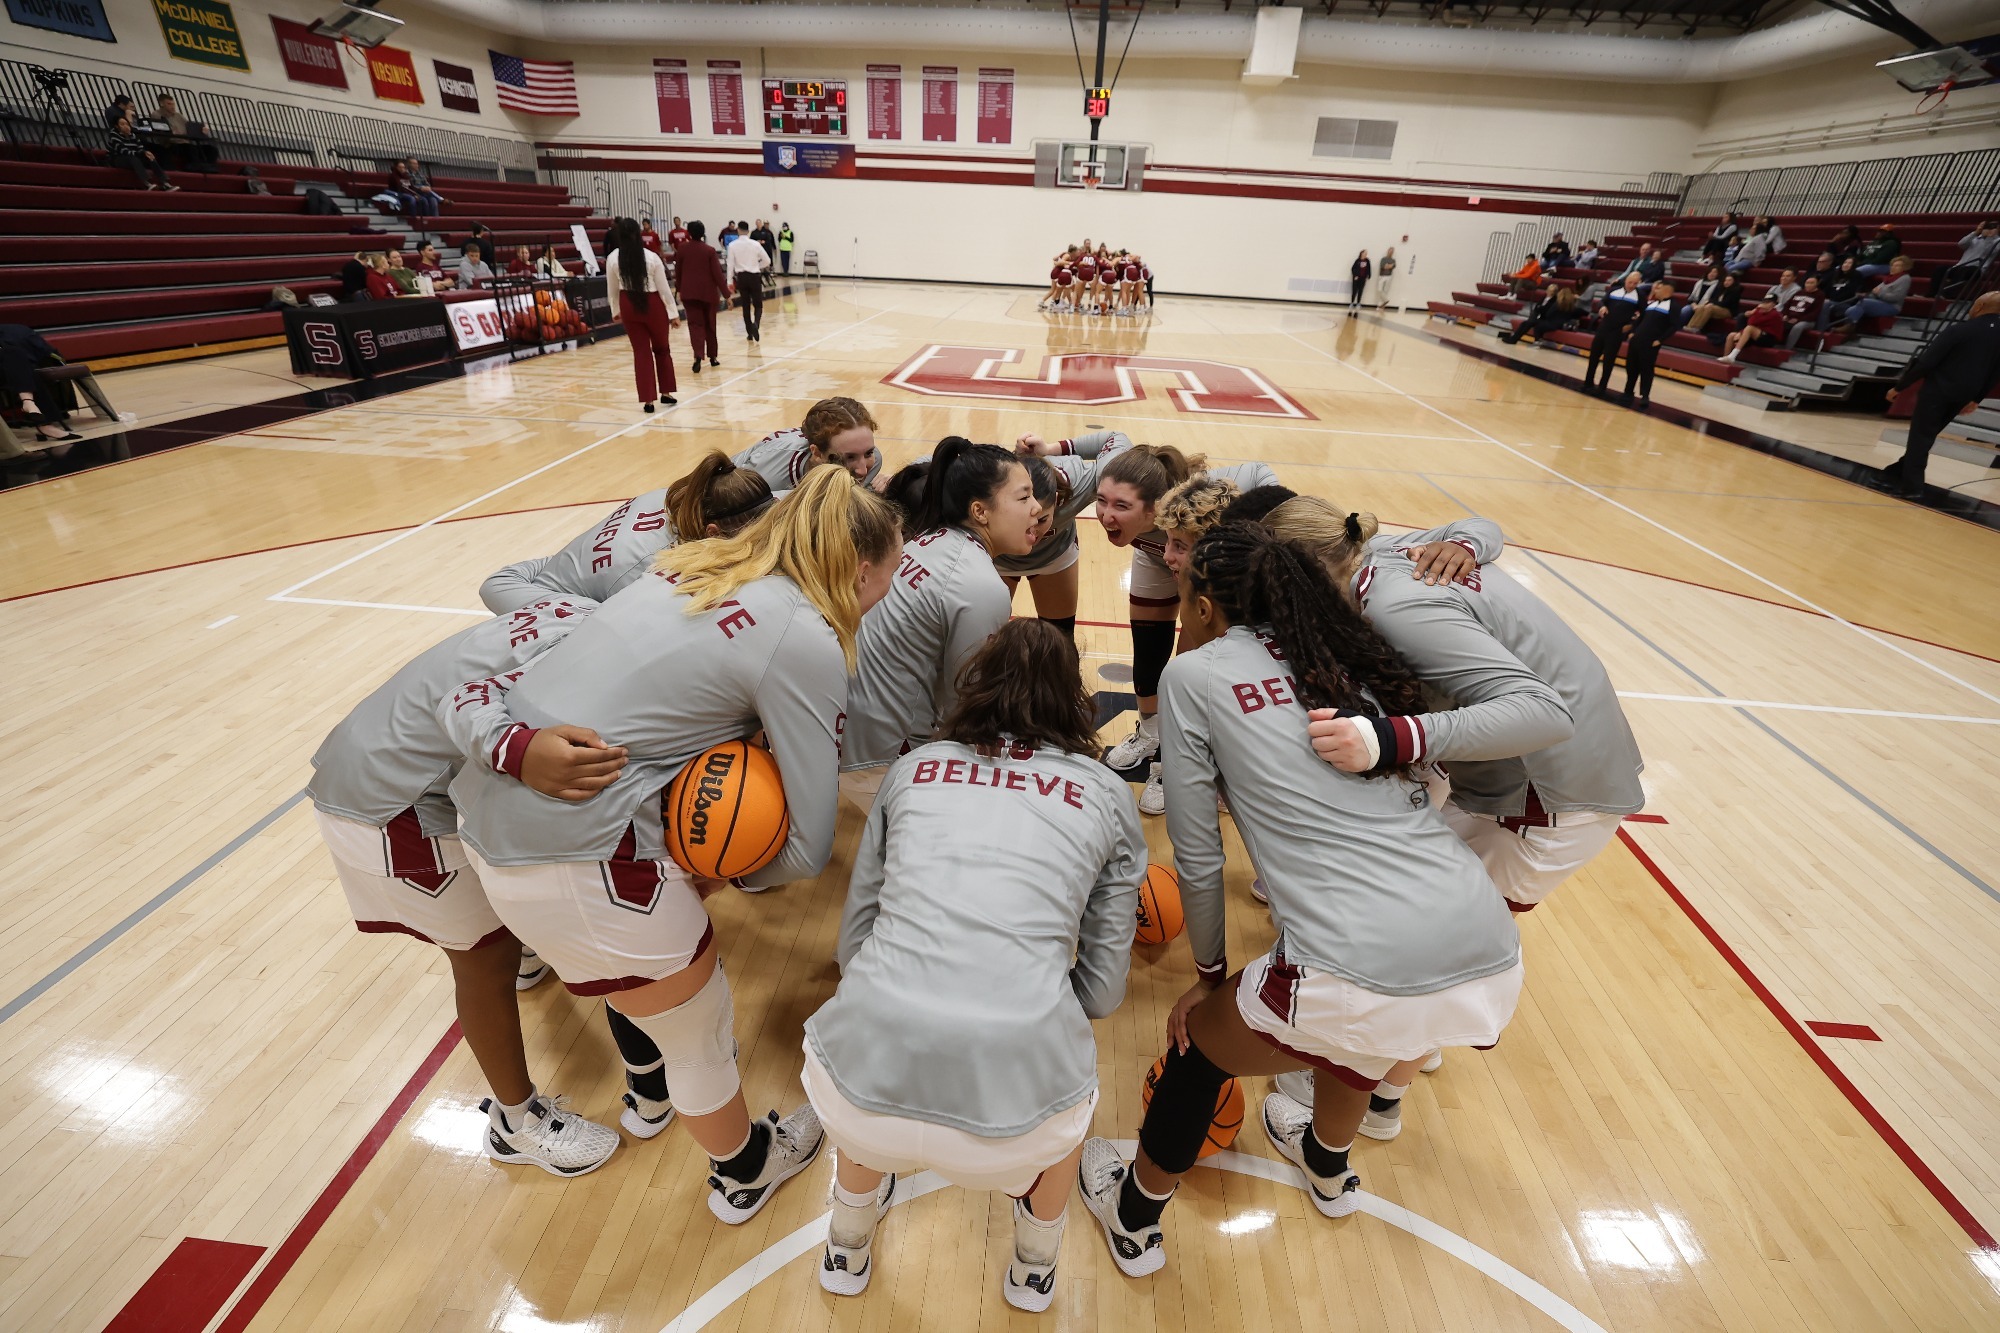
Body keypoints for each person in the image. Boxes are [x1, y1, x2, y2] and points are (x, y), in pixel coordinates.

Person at [442, 467, 904, 1224]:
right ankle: (744, 1171)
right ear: (857, 572)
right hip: (584, 858)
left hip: (491, 830)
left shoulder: (679, 565)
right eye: (887, 580)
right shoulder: (804, 635)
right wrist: (718, 867)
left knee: (628, 981)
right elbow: (807, 847)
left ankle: (646, 1096)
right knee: (700, 1031)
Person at [1077, 522, 1523, 1276]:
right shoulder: (1350, 656)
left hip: (1360, 956)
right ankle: (1327, 1162)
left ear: (1209, 604)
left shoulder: (1198, 674)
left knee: (1198, 1048)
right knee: (1362, 1038)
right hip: (1485, 944)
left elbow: (1198, 850)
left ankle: (1133, 1213)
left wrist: (1211, 979)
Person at [1274, 494, 1641, 1132]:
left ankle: (1377, 1106)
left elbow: (1544, 713)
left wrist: (1388, 737)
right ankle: (1404, 1063)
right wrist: (1469, 542)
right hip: (1535, 778)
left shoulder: (1397, 604)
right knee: (1429, 930)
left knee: (1429, 952)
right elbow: (1484, 521)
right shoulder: (1380, 551)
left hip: (1549, 794)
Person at [807, 619, 1144, 1308]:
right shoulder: (1107, 793)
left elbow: (852, 949)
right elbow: (1104, 994)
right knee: (1070, 1088)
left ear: (974, 685)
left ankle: (846, 1241)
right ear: (1072, 698)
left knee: (876, 1043)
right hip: (1015, 1127)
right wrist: (1033, 997)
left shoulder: (909, 769)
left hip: (863, 1098)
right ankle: (1033, 1265)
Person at [308, 594, 626, 1176]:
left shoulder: (579, 607)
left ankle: (524, 953)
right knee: (481, 958)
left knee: (505, 894)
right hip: (389, 802)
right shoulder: (569, 674)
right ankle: (516, 1122)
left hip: (384, 754)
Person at [1013, 433, 1279, 816]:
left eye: (1121, 506)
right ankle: (1152, 733)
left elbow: (1259, 472)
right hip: (1158, 557)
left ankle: (1179, 759)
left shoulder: (1199, 497)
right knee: (1149, 647)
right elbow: (1113, 437)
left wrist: (1266, 523)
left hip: (1204, 566)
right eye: (1101, 502)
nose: (1105, 515)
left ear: (1155, 510)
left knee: (1189, 666)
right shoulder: (1118, 473)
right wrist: (1055, 449)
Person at [840, 441, 1043, 802]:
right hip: (881, 754)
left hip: (845, 723)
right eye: (1024, 497)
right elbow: (965, 707)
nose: (1038, 509)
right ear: (980, 511)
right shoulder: (979, 584)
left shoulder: (929, 538)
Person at [481, 451, 775, 614]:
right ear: (713, 532)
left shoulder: (683, 498)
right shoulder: (646, 570)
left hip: (549, 576)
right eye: (755, 535)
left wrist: (566, 565)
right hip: (540, 609)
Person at [1879, 290, 2000, 499]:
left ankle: (1912, 488)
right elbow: (1996, 371)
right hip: (1966, 393)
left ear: (1979, 307)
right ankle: (1896, 471)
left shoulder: (1960, 330)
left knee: (1920, 436)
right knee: (1927, 435)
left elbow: (1927, 362)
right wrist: (1976, 399)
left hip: (1939, 390)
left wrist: (1899, 387)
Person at [604, 216, 684, 412]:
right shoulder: (651, 256)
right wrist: (673, 313)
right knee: (662, 349)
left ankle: (648, 400)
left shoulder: (613, 257)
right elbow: (664, 289)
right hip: (653, 304)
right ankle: (666, 393)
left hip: (628, 304)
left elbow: (612, 289)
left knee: (641, 352)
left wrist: (615, 310)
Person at [733, 396, 883, 494]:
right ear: (817, 453)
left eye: (868, 453)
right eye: (849, 457)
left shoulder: (875, 461)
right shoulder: (771, 472)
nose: (863, 470)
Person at [674, 220, 728, 372]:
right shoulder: (709, 250)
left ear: (689, 233)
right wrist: (727, 294)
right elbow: (718, 275)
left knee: (695, 325)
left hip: (689, 293)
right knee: (710, 324)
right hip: (708, 293)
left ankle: (698, 355)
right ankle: (713, 357)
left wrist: (678, 289)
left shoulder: (682, 249)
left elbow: (678, 273)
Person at [1582, 272, 1643, 393]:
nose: (1632, 285)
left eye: (1635, 283)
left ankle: (1602, 386)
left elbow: (1643, 315)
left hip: (1617, 331)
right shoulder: (1614, 290)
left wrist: (1631, 326)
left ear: (1639, 283)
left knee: (1609, 360)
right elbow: (1602, 301)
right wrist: (1602, 307)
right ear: (1625, 280)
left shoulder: (1639, 296)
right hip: (1604, 327)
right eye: (1630, 282)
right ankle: (1588, 382)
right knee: (1594, 356)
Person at [1822, 256, 1913, 334]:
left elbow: (1896, 297)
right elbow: (1874, 292)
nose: (1893, 267)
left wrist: (1879, 293)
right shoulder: (1889, 278)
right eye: (1892, 265)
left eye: (1897, 266)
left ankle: (1850, 326)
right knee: (1858, 303)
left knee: (1863, 303)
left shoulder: (1904, 278)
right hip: (1880, 302)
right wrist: (1869, 294)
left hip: (1892, 306)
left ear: (1904, 267)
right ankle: (1851, 327)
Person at [726, 223, 772, 343]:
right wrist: (758, 265)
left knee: (745, 306)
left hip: (741, 277)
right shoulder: (755, 244)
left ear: (738, 230)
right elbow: (767, 260)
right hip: (754, 276)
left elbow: (730, 265)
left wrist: (729, 282)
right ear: (748, 231)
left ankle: (749, 333)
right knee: (758, 305)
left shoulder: (732, 245)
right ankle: (756, 323)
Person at [1932, 221, 1999, 299]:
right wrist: (1976, 232)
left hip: (1978, 269)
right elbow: (1961, 244)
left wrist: (1990, 237)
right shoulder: (1975, 238)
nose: (1989, 228)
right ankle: (1932, 293)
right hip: (1961, 266)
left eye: (1993, 227)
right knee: (1940, 269)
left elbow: (1988, 251)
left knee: (1964, 270)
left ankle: (1947, 294)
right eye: (1988, 226)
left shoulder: (1997, 241)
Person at [106, 116, 174, 192]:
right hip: (117, 158)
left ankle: (165, 183)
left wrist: (145, 153)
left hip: (133, 156)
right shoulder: (114, 135)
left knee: (149, 157)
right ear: (117, 126)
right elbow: (123, 151)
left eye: (127, 124)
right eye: (122, 124)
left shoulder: (133, 135)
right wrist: (141, 153)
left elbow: (140, 148)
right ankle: (146, 183)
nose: (125, 126)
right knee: (133, 158)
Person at [154, 94, 217, 172]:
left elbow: (190, 127)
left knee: (211, 149)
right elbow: (162, 131)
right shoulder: (157, 114)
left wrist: (202, 130)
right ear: (162, 104)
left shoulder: (178, 115)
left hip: (184, 142)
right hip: (171, 143)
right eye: (169, 104)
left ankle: (209, 168)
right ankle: (194, 168)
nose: (172, 106)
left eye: (173, 104)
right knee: (190, 148)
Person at [1500, 286, 1579, 344]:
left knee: (1528, 323)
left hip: (1549, 321)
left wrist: (1540, 309)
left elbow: (1548, 313)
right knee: (1527, 323)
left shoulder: (1556, 303)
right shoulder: (1571, 305)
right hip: (1554, 322)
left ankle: (1514, 339)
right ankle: (1514, 338)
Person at [1718, 296, 1783, 363]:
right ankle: (1726, 357)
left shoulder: (1775, 314)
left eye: (1768, 302)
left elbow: (1754, 323)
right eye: (1764, 302)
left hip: (1769, 338)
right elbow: (1751, 322)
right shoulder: (1759, 310)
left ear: (1774, 304)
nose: (1765, 304)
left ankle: (1733, 355)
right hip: (1757, 336)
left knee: (1750, 328)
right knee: (1731, 335)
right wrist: (1756, 311)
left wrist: (1741, 333)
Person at [1682, 269, 1743, 335]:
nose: (1726, 282)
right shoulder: (1721, 289)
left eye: (1729, 280)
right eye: (1725, 280)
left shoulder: (1735, 291)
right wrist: (1712, 303)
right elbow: (1713, 299)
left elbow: (1725, 303)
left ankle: (1697, 328)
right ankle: (1690, 326)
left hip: (1728, 310)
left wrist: (1712, 303)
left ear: (1734, 282)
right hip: (1717, 308)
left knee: (1709, 307)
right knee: (1701, 307)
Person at [1778, 275, 1826, 350]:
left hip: (1807, 320)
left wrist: (1798, 319)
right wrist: (1786, 315)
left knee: (1798, 327)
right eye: (1807, 283)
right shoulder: (1799, 292)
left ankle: (1787, 348)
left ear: (1817, 284)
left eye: (1811, 283)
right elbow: (1787, 305)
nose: (1808, 285)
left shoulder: (1820, 295)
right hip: (1791, 316)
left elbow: (1815, 313)